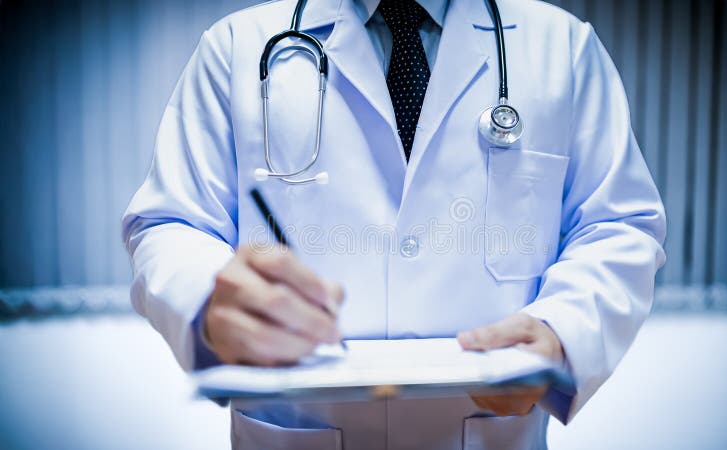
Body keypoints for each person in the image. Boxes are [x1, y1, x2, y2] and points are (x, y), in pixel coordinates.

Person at [122, 0, 666, 447]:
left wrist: (561, 332)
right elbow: (173, 223)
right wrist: (209, 304)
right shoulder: (236, 47)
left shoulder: (562, 48)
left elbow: (617, 225)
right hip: (294, 432)